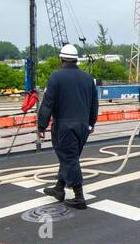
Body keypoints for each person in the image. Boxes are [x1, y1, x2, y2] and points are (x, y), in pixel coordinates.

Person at [37, 43, 99, 209]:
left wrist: (41, 126)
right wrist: (91, 123)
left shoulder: (56, 77)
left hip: (64, 126)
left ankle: (79, 197)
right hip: (83, 127)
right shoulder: (87, 78)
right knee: (69, 157)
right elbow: (94, 103)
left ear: (61, 59)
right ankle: (59, 188)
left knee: (69, 159)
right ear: (76, 60)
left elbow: (47, 103)